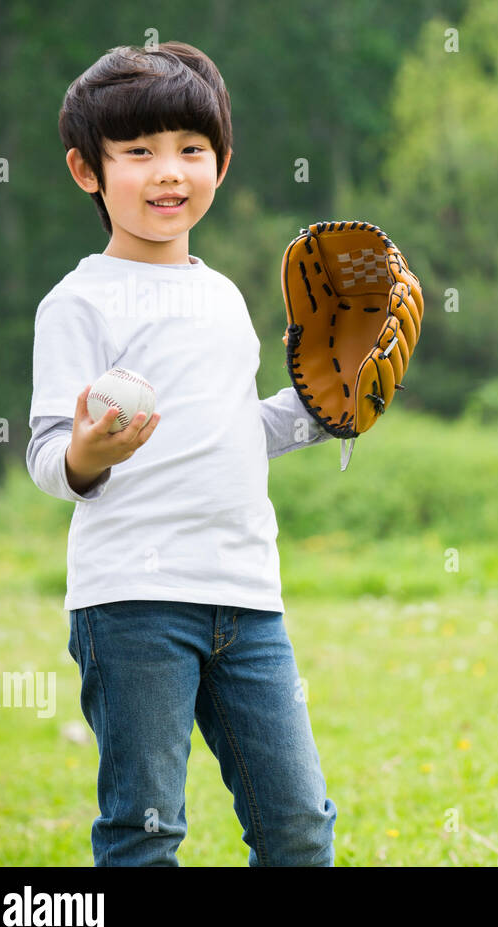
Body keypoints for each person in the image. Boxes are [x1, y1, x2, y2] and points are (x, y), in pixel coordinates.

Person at [27, 42, 337, 865]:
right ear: (87, 171)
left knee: (300, 824)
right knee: (145, 829)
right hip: (133, 601)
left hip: (248, 596)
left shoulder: (224, 296)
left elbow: (238, 431)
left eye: (190, 150)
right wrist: (91, 451)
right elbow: (48, 454)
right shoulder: (77, 303)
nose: (169, 172)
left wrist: (325, 408)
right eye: (139, 152)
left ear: (221, 163)